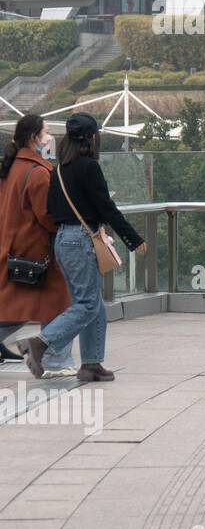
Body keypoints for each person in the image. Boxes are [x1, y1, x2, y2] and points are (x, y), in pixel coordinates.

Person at [19, 113, 147, 382]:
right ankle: (40, 343)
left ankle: (91, 364)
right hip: (80, 239)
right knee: (88, 304)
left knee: (93, 304)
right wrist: (133, 238)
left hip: (64, 241)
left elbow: (52, 210)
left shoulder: (59, 170)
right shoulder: (89, 167)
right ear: (91, 138)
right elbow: (106, 207)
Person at [0, 115, 75, 379]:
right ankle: (57, 361)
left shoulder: (10, 167)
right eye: (45, 132)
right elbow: (47, 215)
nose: (49, 138)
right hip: (36, 252)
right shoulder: (38, 173)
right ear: (34, 138)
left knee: (18, 309)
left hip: (13, 247)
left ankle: (58, 359)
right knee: (57, 304)